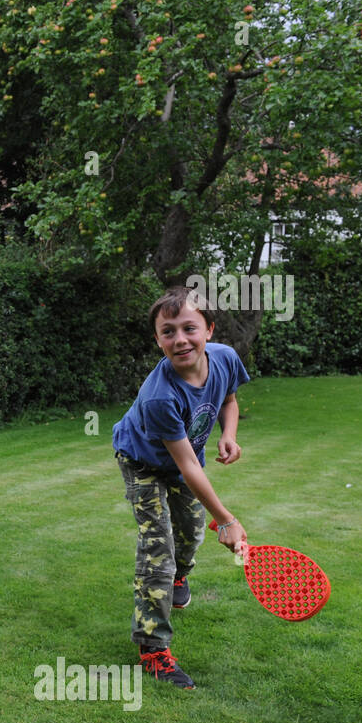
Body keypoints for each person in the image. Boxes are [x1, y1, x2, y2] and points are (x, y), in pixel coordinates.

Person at [111, 285, 249, 689]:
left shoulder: (224, 358)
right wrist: (226, 519)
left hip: (183, 460)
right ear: (158, 340)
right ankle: (153, 649)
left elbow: (229, 399)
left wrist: (229, 433)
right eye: (168, 332)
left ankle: (177, 579)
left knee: (189, 538)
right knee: (158, 549)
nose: (180, 339)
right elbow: (187, 465)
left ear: (208, 329)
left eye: (189, 328)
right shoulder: (159, 397)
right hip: (142, 464)